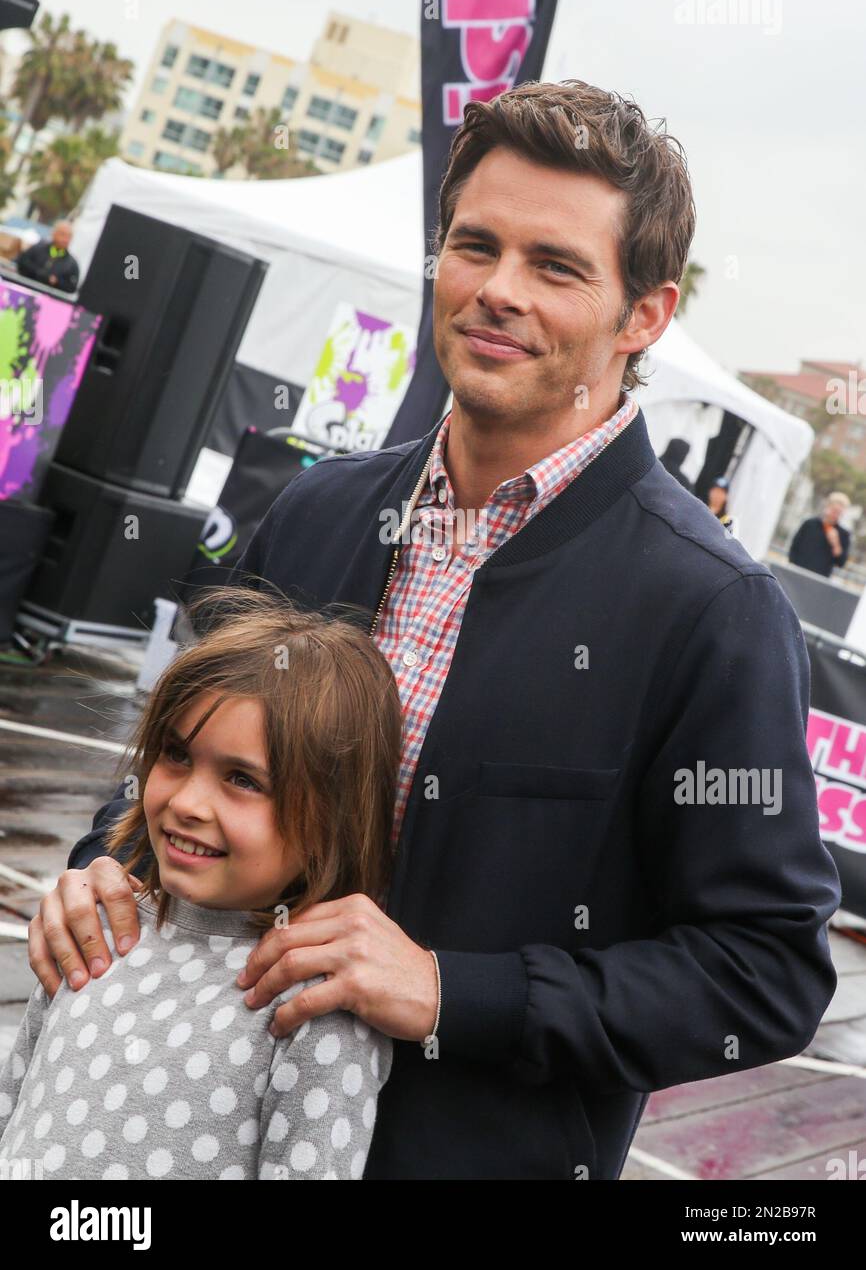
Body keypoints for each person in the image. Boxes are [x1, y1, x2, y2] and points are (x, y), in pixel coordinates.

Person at [28, 79, 841, 1182]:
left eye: (554, 266)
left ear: (642, 315)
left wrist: (455, 992)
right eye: (474, 246)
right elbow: (168, 766)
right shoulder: (316, 513)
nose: (496, 291)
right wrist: (102, 865)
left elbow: (763, 975)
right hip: (185, 1143)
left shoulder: (710, 612)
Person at [1, 586, 397, 1179]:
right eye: (177, 756)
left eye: (242, 779)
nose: (187, 802)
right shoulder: (96, 925)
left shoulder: (313, 1007)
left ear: (329, 819)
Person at [789, 493, 851, 578]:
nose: (835, 515)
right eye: (834, 510)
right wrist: (792, 565)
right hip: (796, 572)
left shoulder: (843, 535)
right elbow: (794, 546)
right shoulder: (809, 524)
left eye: (839, 513)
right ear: (827, 507)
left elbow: (841, 563)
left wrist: (836, 543)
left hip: (819, 579)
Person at [14, 220, 80, 293]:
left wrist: (56, 282)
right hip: (25, 291)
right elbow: (21, 263)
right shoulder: (38, 248)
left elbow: (72, 287)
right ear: (54, 234)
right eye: (62, 234)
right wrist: (41, 274)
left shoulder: (72, 264)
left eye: (69, 236)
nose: (66, 239)